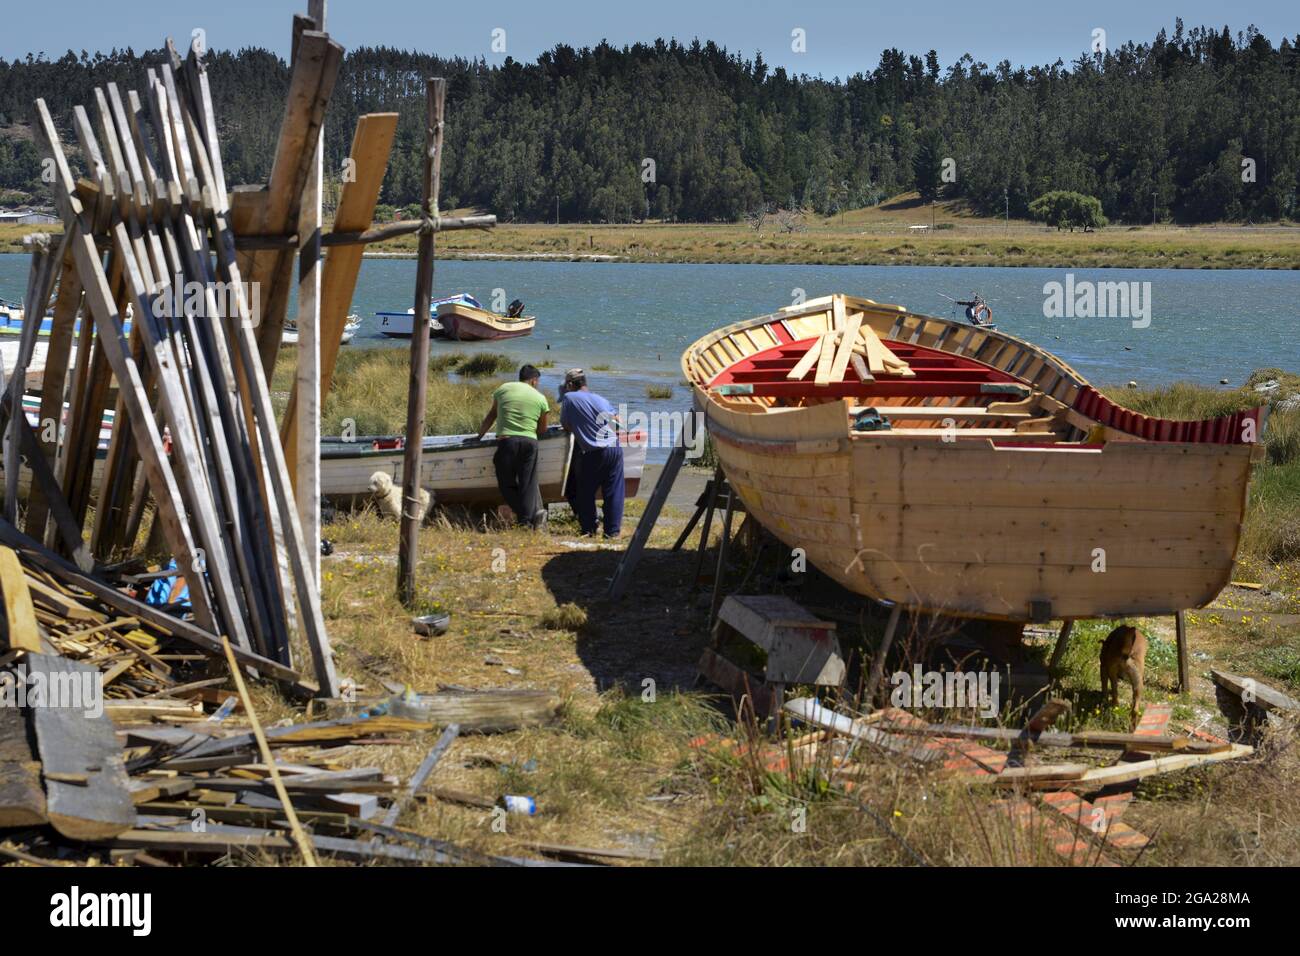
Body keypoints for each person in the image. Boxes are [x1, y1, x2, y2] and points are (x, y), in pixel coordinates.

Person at [475, 364, 551, 529]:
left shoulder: (504, 389)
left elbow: (492, 414)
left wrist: (479, 436)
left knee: (506, 483)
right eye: (537, 381)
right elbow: (542, 429)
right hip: (530, 442)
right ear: (534, 380)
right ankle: (527, 520)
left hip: (507, 441)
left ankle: (525, 519)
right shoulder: (540, 397)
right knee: (527, 484)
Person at [559, 368, 625, 538]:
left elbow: (566, 425)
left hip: (594, 451)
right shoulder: (600, 399)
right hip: (614, 448)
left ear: (570, 384)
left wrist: (582, 427)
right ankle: (612, 532)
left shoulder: (569, 398)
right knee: (613, 491)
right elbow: (619, 424)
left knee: (585, 491)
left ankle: (589, 529)